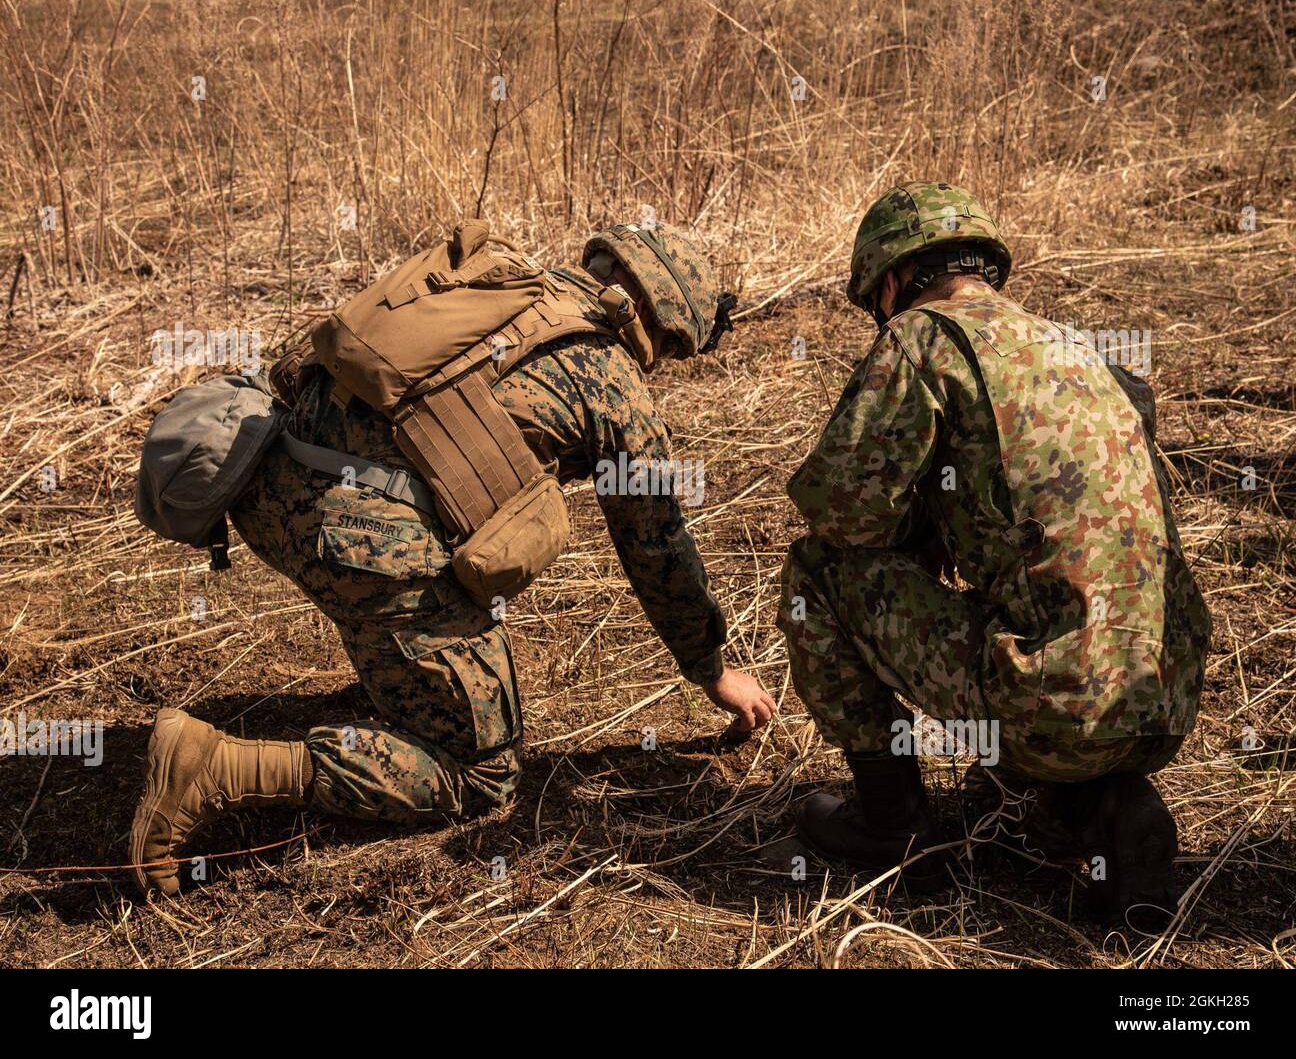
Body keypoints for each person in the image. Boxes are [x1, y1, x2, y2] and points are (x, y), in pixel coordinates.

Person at [130, 222, 774, 896]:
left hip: (267, 485)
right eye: (671, 352)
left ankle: (404, 673)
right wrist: (711, 668)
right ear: (659, 326)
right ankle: (213, 768)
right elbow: (657, 546)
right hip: (363, 542)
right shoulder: (611, 382)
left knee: (421, 554)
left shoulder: (497, 282)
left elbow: (306, 361)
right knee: (480, 774)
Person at [778, 182, 1211, 913]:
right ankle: (1106, 806)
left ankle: (891, 826)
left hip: (1052, 704)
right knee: (1044, 654)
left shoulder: (923, 337)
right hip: (1164, 699)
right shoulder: (1086, 350)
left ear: (893, 280)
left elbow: (840, 512)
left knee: (814, 572)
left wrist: (916, 531)